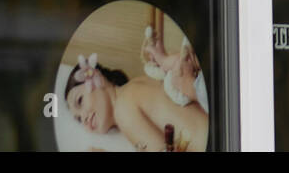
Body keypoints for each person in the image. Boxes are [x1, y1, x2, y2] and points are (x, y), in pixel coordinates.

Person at [64, 53, 208, 152]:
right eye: (78, 119)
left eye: (80, 101)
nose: (83, 118)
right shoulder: (137, 85)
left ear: (96, 75)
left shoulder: (123, 107)